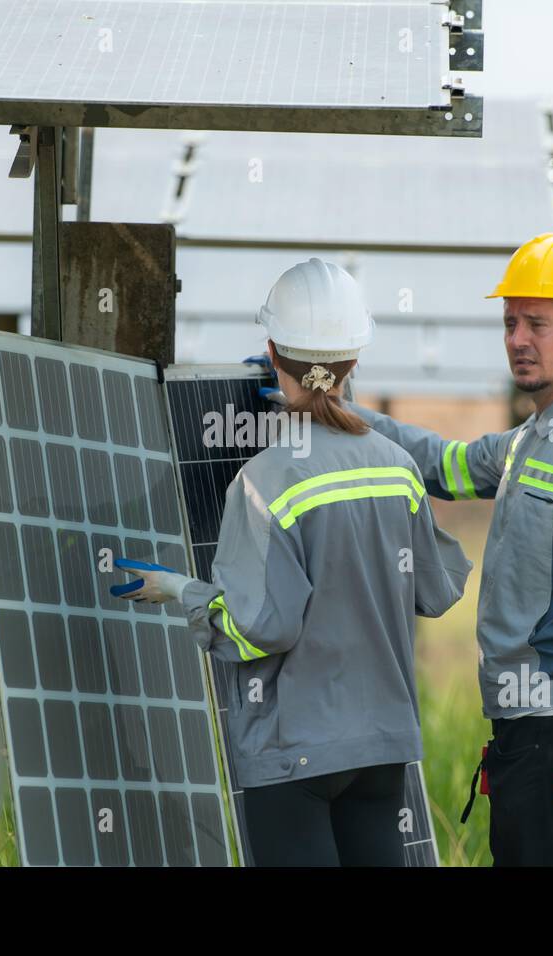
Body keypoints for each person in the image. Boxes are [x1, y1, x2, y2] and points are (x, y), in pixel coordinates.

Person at [114, 257, 472, 867]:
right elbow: (437, 590)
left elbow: (264, 630)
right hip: (381, 749)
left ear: (273, 352)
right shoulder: (399, 467)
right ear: (354, 361)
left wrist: (181, 591)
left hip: (292, 753)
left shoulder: (264, 480)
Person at [350, 233, 553, 866]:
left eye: (538, 324)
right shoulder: (537, 437)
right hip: (528, 736)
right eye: (510, 322)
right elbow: (446, 466)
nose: (518, 338)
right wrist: (344, 413)